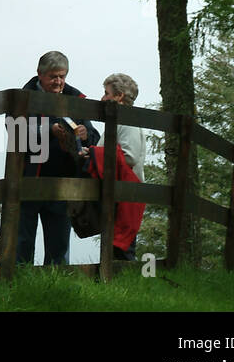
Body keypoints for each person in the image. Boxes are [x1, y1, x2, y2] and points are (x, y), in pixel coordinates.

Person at [16, 50, 99, 265]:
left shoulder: (75, 99)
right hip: (29, 180)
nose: (58, 81)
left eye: (62, 76)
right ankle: (19, 279)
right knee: (22, 241)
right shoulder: (22, 97)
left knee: (59, 245)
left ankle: (56, 281)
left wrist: (85, 134)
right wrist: (49, 129)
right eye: (53, 76)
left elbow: (94, 136)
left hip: (63, 182)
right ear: (40, 74)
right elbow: (15, 129)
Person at [98, 72, 145, 259]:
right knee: (114, 246)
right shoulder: (119, 120)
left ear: (119, 96)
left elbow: (130, 157)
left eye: (106, 93)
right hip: (118, 191)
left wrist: (95, 154)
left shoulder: (127, 121)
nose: (102, 98)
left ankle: (122, 277)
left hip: (125, 192)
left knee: (122, 249)